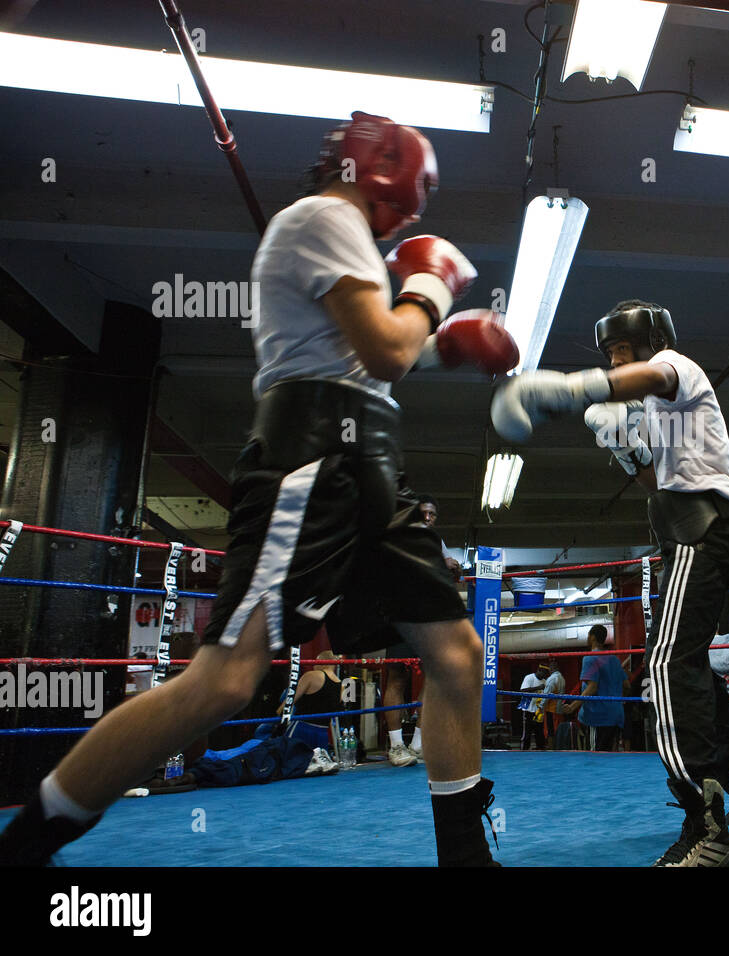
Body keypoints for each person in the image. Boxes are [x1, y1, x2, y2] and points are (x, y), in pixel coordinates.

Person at [0, 111, 519, 867]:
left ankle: (465, 856)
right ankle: (28, 842)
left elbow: (375, 353)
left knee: (456, 653)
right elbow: (382, 349)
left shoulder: (349, 246)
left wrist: (450, 342)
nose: (415, 209)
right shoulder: (324, 215)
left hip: (370, 457)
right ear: (384, 168)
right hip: (310, 455)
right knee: (226, 679)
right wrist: (434, 287)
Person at [491, 299, 729, 866]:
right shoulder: (657, 408)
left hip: (707, 527)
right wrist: (631, 455)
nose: (614, 359)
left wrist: (572, 386)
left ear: (650, 341)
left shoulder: (678, 368)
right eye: (608, 354)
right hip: (698, 526)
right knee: (690, 658)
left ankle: (706, 828)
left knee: (666, 664)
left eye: (620, 350)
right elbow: (667, 474)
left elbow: (651, 375)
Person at [381, 496, 456, 767]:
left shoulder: (435, 541)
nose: (428, 518)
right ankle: (396, 745)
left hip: (429, 619)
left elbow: (446, 566)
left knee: (433, 679)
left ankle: (417, 745)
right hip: (402, 616)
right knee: (397, 679)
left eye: (432, 515)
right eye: (424, 513)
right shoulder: (398, 536)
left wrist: (452, 567)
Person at [563, 625, 628, 751]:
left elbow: (592, 687)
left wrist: (572, 706)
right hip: (616, 715)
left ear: (592, 637)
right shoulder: (614, 659)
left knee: (595, 757)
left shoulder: (590, 658)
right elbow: (626, 685)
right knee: (610, 756)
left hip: (598, 717)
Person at [518, 663, 549, 751]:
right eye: (544, 673)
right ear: (539, 671)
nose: (545, 676)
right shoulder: (529, 677)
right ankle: (524, 751)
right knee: (527, 733)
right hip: (528, 708)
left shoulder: (544, 681)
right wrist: (538, 687)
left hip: (538, 710)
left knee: (539, 732)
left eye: (546, 674)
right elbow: (522, 690)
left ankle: (541, 749)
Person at [541, 657, 567, 746]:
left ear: (551, 669)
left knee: (550, 730)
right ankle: (557, 748)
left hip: (551, 709)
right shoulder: (561, 678)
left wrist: (541, 707)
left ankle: (552, 749)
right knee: (557, 730)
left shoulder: (552, 679)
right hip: (558, 708)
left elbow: (546, 695)